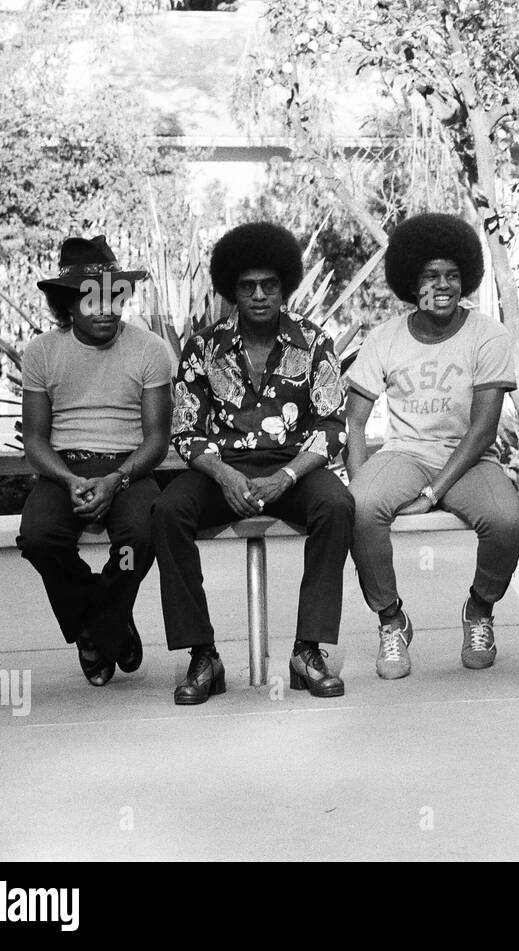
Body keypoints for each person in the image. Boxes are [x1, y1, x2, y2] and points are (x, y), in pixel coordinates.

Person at [153, 222, 353, 705]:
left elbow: (332, 427)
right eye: (248, 287)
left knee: (338, 506)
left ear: (284, 286)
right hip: (223, 469)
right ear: (231, 290)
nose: (260, 296)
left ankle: (309, 651)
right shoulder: (203, 347)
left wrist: (286, 477)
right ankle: (203, 656)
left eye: (269, 285)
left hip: (293, 465)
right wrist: (223, 476)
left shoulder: (314, 342)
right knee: (166, 513)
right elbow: (186, 430)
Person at [346, 212, 519, 680]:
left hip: (469, 457)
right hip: (405, 453)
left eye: (451, 275)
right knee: (360, 507)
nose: (442, 285)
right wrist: (360, 478)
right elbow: (355, 423)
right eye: (430, 276)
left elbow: (484, 428)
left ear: (466, 279)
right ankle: (391, 620)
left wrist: (432, 493)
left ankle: (480, 608)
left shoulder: (488, 335)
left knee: (507, 521)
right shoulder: (385, 338)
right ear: (411, 281)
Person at [17, 235, 172, 686]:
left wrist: (117, 479)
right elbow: (34, 439)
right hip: (64, 468)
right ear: (69, 304)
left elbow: (157, 439)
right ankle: (106, 622)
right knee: (41, 539)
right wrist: (67, 480)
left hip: (128, 468)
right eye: (92, 298)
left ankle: (98, 624)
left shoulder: (148, 350)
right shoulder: (42, 353)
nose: (106, 308)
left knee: (136, 542)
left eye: (113, 295)